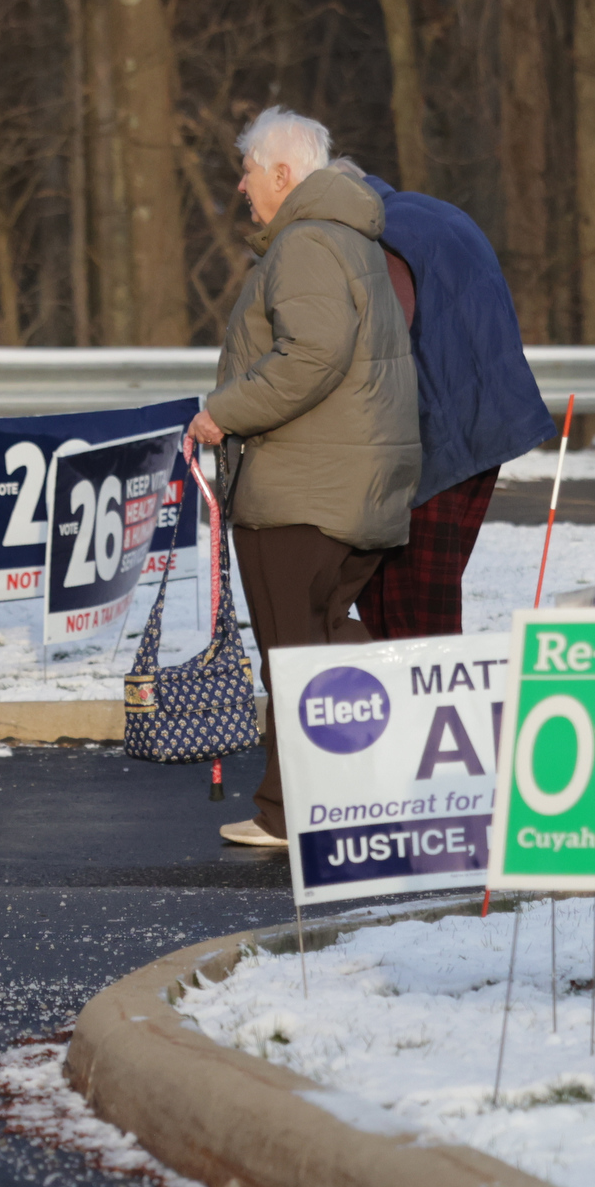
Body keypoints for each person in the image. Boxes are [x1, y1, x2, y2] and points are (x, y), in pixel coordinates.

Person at [188, 109, 419, 848]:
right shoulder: (351, 239)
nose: (242, 186)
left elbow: (311, 356)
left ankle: (291, 815)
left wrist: (223, 412)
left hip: (304, 491)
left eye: (250, 172)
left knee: (293, 654)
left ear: (284, 176)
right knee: (322, 642)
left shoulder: (306, 243)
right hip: (353, 484)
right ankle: (366, 787)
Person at [329, 161, 554, 638]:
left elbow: (382, 347)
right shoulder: (437, 214)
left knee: (413, 625)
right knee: (430, 602)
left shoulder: (376, 239)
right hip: (487, 428)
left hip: (430, 443)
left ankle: (431, 710)